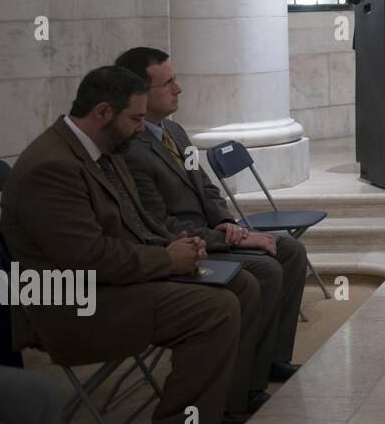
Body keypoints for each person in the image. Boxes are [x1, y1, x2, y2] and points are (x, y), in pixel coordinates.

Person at [0, 66, 264, 424]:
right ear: (104, 112)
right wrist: (167, 259)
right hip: (74, 305)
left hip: (114, 285)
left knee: (242, 284)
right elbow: (87, 258)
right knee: (213, 309)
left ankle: (220, 410)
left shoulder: (104, 149)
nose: (142, 129)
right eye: (136, 119)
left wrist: (174, 243)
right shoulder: (50, 167)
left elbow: (135, 223)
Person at [115, 47, 307, 390]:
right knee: (265, 268)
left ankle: (271, 360)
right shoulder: (132, 149)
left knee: (290, 249)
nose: (179, 89)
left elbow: (206, 187)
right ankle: (244, 385)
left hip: (213, 233)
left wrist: (227, 222)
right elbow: (159, 223)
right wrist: (224, 238)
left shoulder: (174, 132)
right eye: (168, 83)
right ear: (140, 94)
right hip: (188, 247)